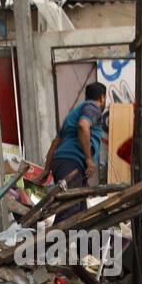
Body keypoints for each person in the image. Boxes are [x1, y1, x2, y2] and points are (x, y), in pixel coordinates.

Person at [39, 81, 108, 220]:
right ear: (102, 98)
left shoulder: (73, 114)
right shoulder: (93, 108)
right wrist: (89, 160)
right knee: (69, 211)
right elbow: (83, 126)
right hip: (71, 164)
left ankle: (85, 242)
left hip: (61, 163)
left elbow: (55, 143)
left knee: (80, 211)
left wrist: (47, 169)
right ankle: (53, 242)